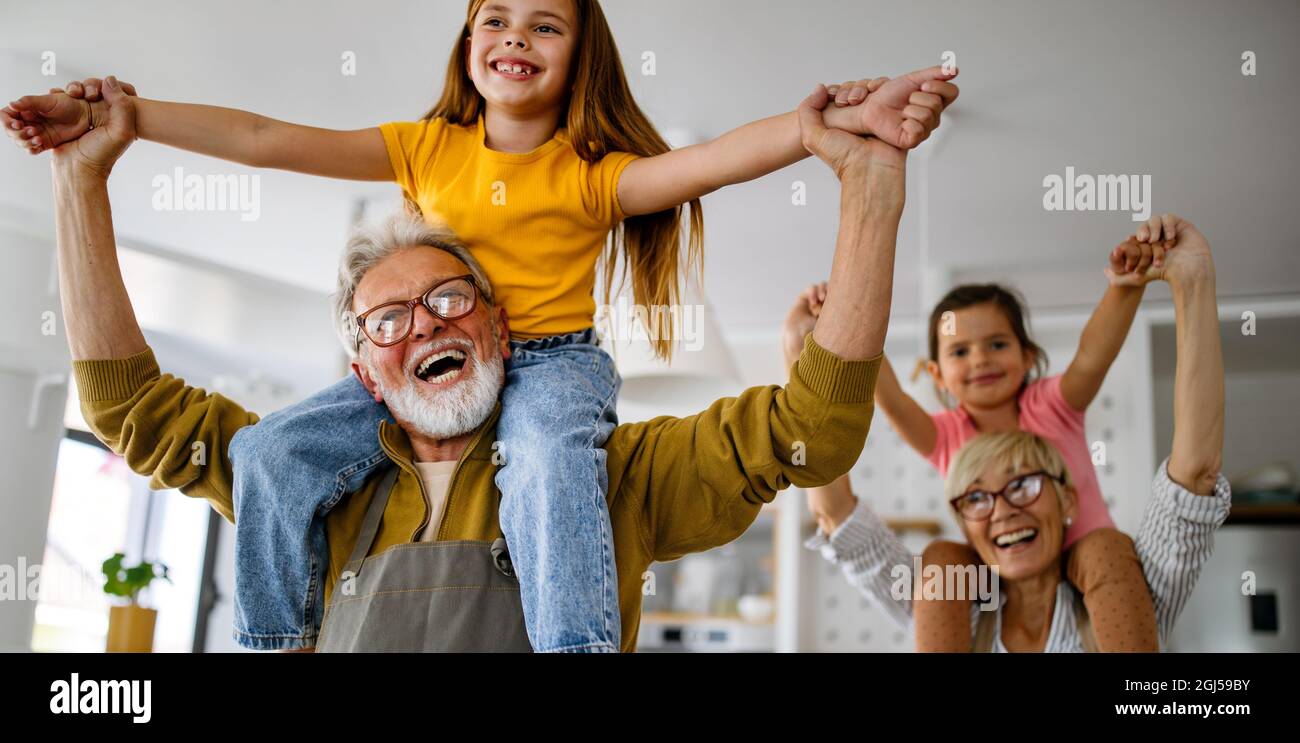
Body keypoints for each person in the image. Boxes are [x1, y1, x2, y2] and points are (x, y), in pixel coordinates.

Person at [5, 0, 957, 653]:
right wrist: (109, 142)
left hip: (560, 372)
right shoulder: (316, 480)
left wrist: (839, 152)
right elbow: (259, 143)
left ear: (497, 318)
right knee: (267, 455)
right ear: (363, 366)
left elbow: (811, 420)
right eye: (389, 317)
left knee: (545, 458)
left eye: (452, 297)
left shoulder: (607, 478)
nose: (424, 323)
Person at [789, 215, 1229, 652]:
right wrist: (831, 339)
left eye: (1026, 485)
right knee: (943, 561)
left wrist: (1128, 287)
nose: (980, 359)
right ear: (938, 375)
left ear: (1027, 356)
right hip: (981, 573)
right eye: (977, 497)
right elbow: (885, 416)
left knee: (1106, 551)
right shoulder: (954, 594)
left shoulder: (1053, 406)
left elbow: (1096, 359)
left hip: (1088, 556)